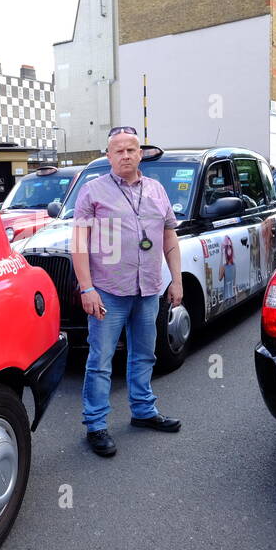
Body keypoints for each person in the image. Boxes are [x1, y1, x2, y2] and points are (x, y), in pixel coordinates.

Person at [70, 127, 182, 457]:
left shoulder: (157, 191)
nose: (125, 155)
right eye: (117, 151)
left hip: (148, 288)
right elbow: (79, 245)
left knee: (145, 354)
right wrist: (86, 288)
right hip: (108, 291)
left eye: (131, 150)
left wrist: (175, 281)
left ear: (140, 154)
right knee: (101, 360)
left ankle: (144, 412)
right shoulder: (92, 192)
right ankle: (95, 425)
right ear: (108, 156)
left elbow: (169, 239)